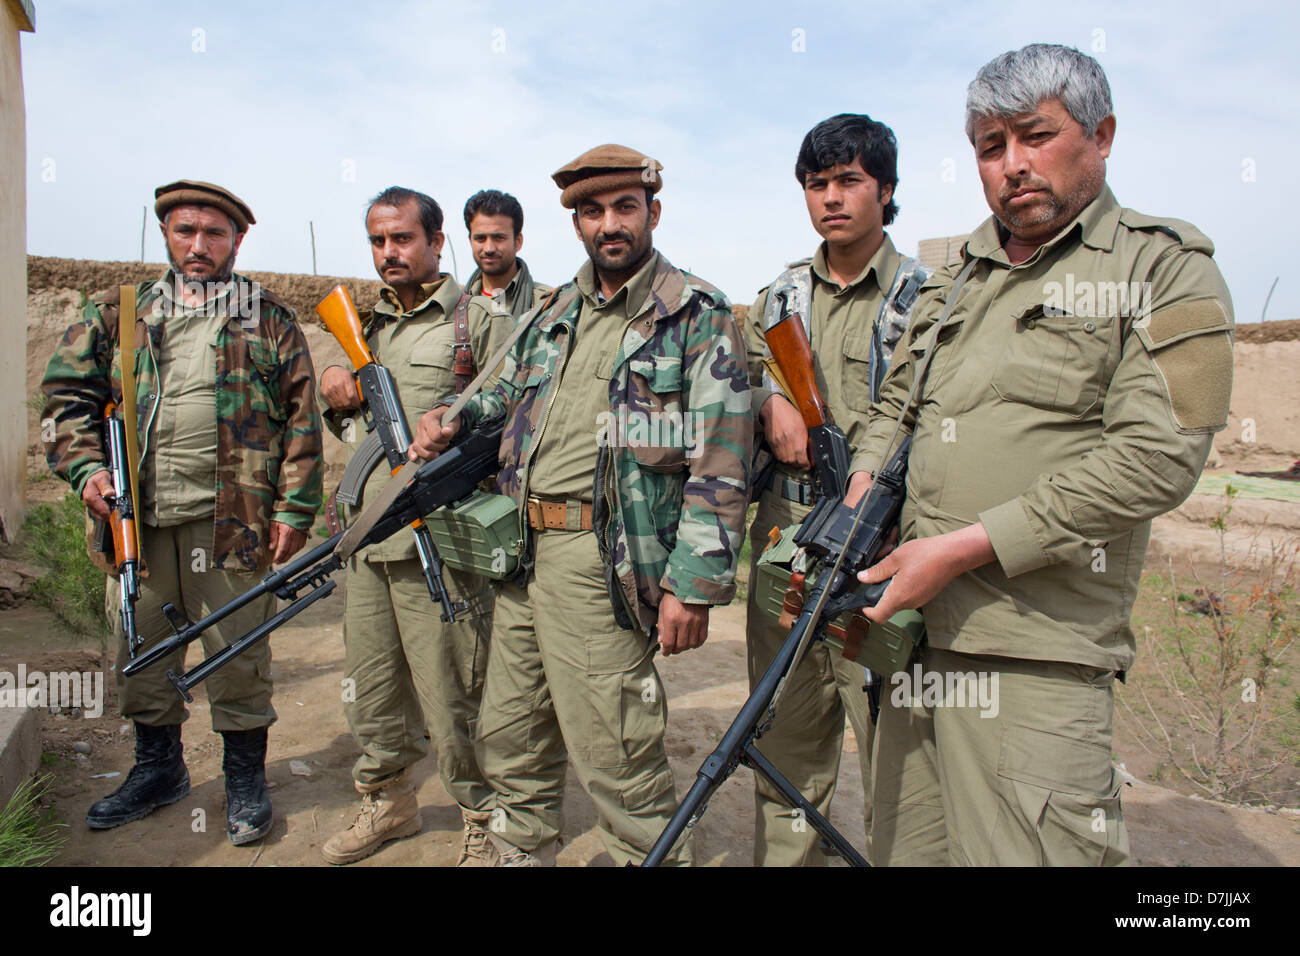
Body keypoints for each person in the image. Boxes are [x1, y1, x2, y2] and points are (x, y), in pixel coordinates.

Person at [846, 43, 1234, 866]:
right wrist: (859, 489)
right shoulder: (955, 275)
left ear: (1102, 134)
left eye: (1035, 136)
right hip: (912, 639)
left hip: (1034, 656)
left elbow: (1156, 458)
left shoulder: (1162, 266)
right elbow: (895, 406)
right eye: (991, 147)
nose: (1012, 166)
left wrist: (961, 549)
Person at [411, 144, 752, 866]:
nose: (609, 224)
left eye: (624, 207)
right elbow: (502, 396)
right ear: (576, 225)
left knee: (614, 748)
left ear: (652, 212)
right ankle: (518, 847)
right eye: (592, 212)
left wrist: (693, 587)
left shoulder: (694, 315)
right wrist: (452, 416)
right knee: (512, 727)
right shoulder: (554, 311)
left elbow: (719, 461)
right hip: (522, 550)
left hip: (603, 557)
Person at [41, 179, 323, 845]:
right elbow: (65, 399)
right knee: (143, 648)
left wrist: (296, 510)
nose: (199, 246)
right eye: (185, 231)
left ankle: (244, 776)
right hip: (138, 518)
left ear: (238, 239)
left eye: (214, 233)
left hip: (234, 519)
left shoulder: (268, 318)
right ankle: (157, 768)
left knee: (237, 648)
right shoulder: (120, 313)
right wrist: (86, 470)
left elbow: (302, 423)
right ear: (165, 232)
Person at [743, 113, 930, 866]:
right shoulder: (778, 297)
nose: (832, 198)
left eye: (850, 180)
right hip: (788, 526)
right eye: (817, 184)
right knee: (785, 729)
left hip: (886, 536)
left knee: (894, 742)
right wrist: (768, 399)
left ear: (886, 190)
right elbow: (742, 368)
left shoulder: (929, 295)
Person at [316, 186, 513, 865]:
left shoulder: (475, 318)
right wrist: (335, 389)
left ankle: (484, 814)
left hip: (441, 542)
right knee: (373, 689)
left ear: (437, 242)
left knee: (454, 691)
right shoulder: (363, 325)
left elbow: (513, 414)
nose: (389, 253)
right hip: (369, 540)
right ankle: (388, 799)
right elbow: (358, 435)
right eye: (377, 241)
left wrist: (456, 432)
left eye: (402, 239)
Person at [462, 188, 552, 323]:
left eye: (499, 238)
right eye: (480, 238)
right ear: (470, 240)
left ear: (518, 241)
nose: (489, 248)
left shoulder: (546, 303)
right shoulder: (455, 305)